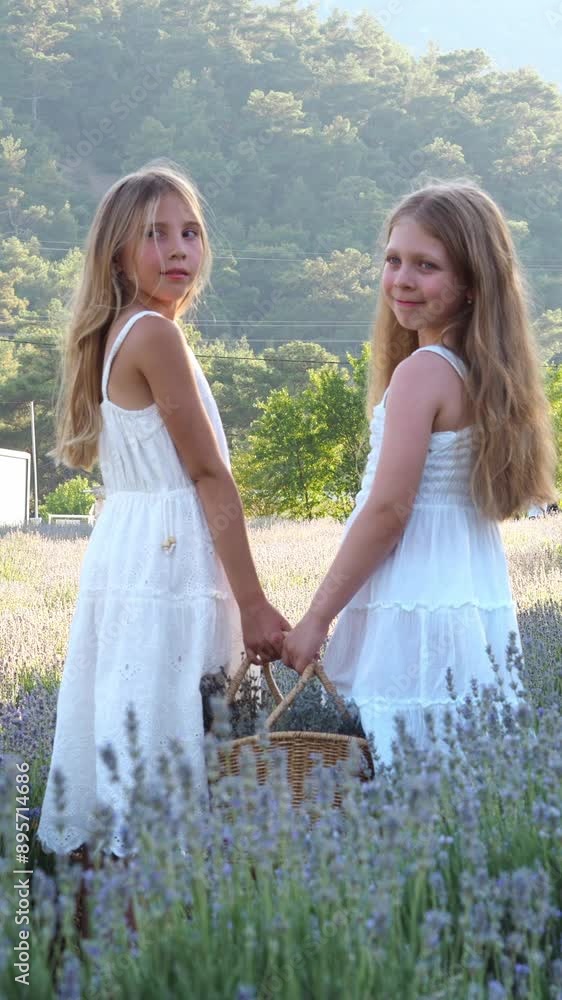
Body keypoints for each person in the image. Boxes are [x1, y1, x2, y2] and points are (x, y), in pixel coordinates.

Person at [38, 161, 289, 861]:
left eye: (191, 232)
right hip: (170, 557)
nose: (179, 249)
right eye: (155, 235)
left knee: (132, 727)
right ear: (118, 252)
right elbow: (208, 475)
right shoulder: (154, 335)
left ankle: (104, 926)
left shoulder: (116, 331)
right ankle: (147, 921)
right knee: (166, 733)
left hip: (133, 548)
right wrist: (255, 604)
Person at [281, 180, 556, 764]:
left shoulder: (422, 373)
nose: (402, 280)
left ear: (471, 284)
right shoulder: (481, 373)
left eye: (426, 266)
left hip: (415, 600)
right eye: (394, 260)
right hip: (465, 594)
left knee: (399, 762)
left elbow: (388, 511)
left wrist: (316, 618)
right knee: (460, 769)